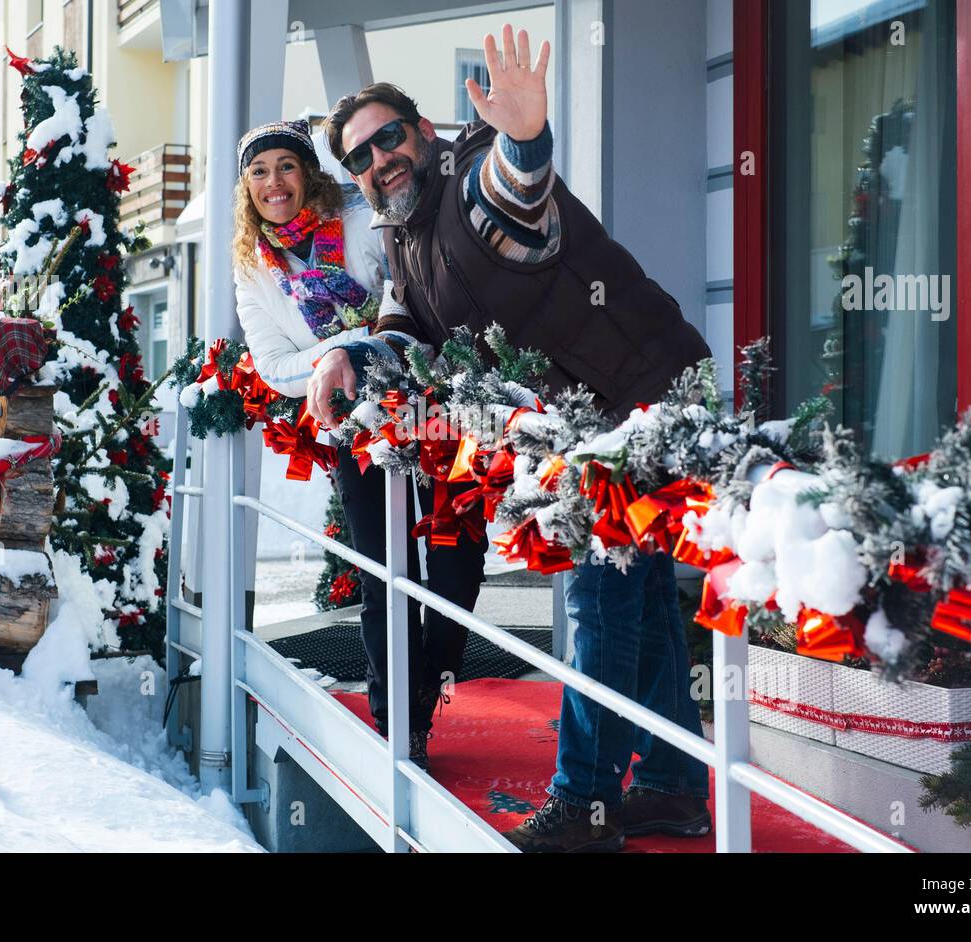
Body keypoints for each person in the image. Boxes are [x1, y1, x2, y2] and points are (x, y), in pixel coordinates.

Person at [310, 25, 713, 851]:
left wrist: (526, 136)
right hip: (580, 420)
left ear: (424, 133)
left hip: (637, 396)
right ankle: (673, 784)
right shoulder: (401, 232)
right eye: (360, 156)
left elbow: (516, 194)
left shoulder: (468, 180)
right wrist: (347, 352)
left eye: (390, 137)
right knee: (636, 597)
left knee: (599, 595)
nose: (379, 159)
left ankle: (585, 805)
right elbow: (406, 329)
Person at [232, 119, 485, 769]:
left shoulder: (357, 218)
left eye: (285, 166)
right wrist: (340, 360)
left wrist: (360, 347)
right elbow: (271, 365)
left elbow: (409, 295)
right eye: (259, 172)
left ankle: (430, 673)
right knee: (382, 572)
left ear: (308, 171)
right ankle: (400, 720)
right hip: (357, 424)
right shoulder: (252, 266)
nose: (273, 183)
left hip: (437, 402)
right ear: (246, 187)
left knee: (459, 557)